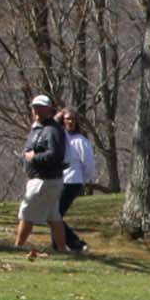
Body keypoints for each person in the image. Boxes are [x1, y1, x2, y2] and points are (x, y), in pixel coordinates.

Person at [16, 95, 69, 255]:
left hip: (45, 180)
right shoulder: (38, 128)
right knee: (54, 217)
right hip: (43, 180)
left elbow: (55, 155)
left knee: (26, 213)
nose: (37, 110)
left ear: (49, 110)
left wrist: (34, 158)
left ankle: (17, 247)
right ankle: (62, 249)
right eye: (34, 107)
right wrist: (24, 159)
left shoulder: (52, 130)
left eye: (41, 107)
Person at [57, 107, 96, 253]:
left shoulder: (81, 141)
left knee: (55, 215)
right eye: (67, 119)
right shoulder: (60, 137)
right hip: (60, 181)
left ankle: (75, 243)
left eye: (73, 119)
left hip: (72, 181)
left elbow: (89, 164)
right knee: (54, 216)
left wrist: (84, 180)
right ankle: (60, 245)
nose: (70, 122)